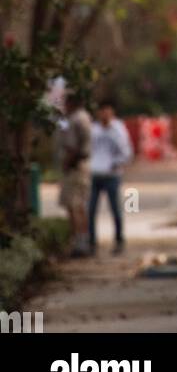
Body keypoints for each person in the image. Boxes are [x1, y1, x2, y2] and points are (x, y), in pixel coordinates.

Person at [88, 99, 133, 255]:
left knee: (115, 209)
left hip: (112, 174)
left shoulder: (118, 130)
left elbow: (126, 152)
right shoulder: (94, 130)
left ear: (112, 112)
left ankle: (119, 240)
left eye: (107, 110)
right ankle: (91, 241)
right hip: (94, 174)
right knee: (91, 210)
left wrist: (117, 163)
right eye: (102, 111)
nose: (104, 114)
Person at [58, 91, 92, 258]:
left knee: (74, 207)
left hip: (74, 168)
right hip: (83, 167)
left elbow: (72, 148)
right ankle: (83, 242)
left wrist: (65, 164)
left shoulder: (74, 120)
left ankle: (79, 244)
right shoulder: (85, 117)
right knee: (80, 206)